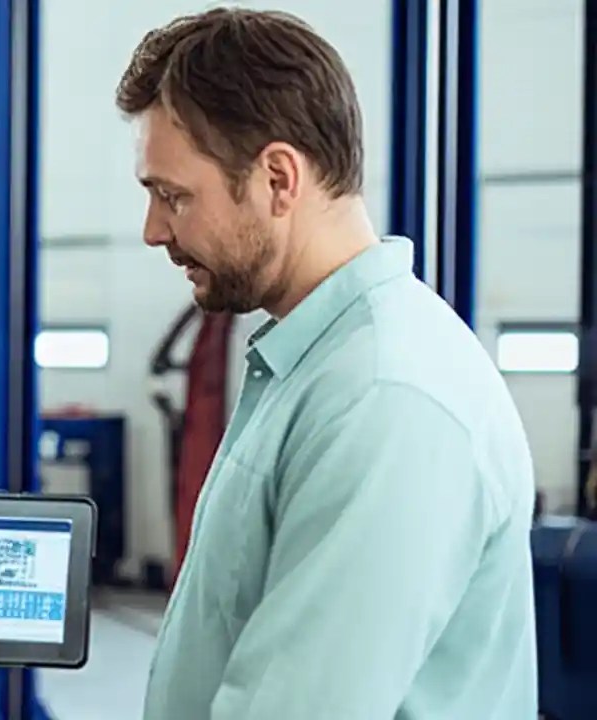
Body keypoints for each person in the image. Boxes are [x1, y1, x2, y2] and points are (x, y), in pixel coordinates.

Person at [115, 9, 537, 719]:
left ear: (279, 178)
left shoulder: (383, 398)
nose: (154, 230)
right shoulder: (316, 364)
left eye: (173, 196)